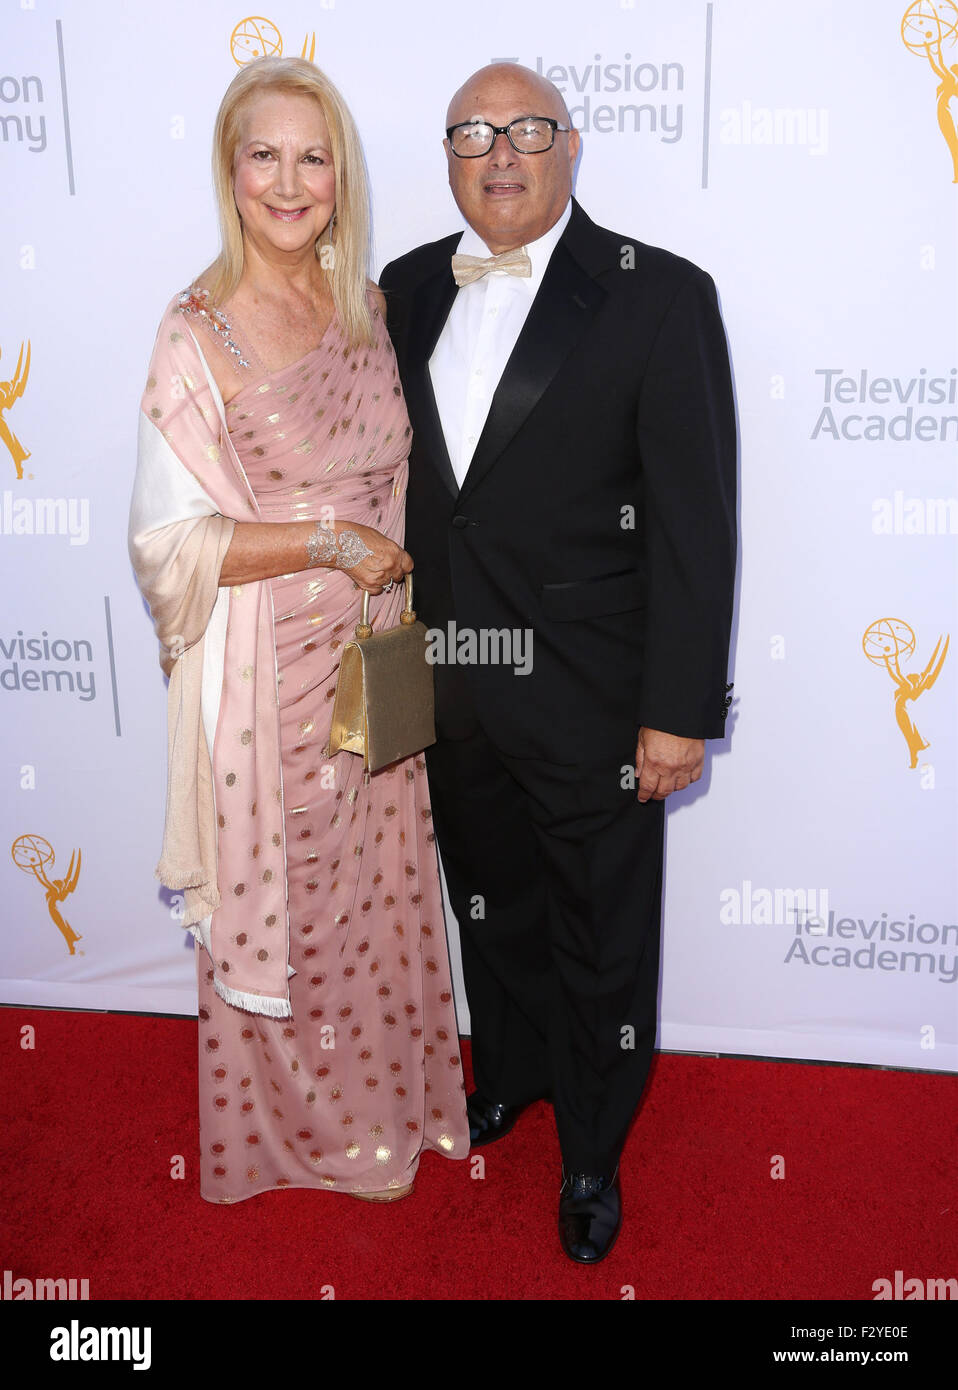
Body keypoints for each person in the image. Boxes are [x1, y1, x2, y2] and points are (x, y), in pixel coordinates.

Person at [379, 62, 736, 1261]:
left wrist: (676, 712)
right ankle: (514, 1074)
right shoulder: (408, 286)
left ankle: (592, 1143)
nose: (500, 152)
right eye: (472, 132)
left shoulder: (657, 296)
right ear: (447, 157)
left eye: (526, 128)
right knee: (493, 906)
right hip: (448, 683)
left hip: (594, 699)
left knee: (600, 932)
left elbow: (696, 522)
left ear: (571, 147)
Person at [128, 55, 469, 1205]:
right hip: (267, 675)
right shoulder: (195, 334)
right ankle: (286, 1135)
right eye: (263, 155)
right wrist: (327, 543)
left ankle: (383, 1109)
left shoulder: (364, 309)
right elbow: (169, 546)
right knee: (292, 907)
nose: (288, 181)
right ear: (230, 171)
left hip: (378, 661)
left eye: (311, 156)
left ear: (340, 174)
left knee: (377, 898)